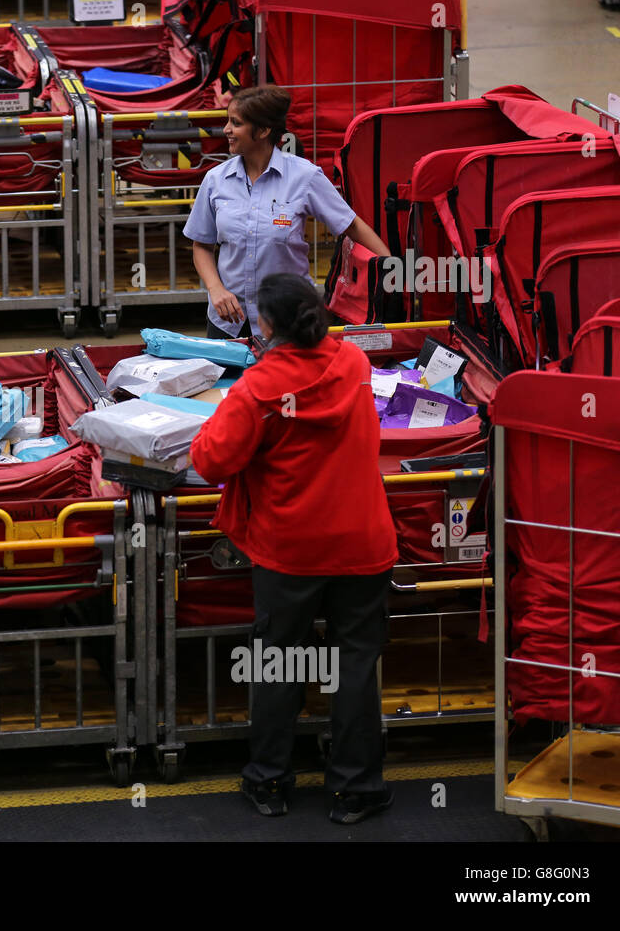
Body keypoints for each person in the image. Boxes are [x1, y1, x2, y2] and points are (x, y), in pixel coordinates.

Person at [189, 273, 399, 825]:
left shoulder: (258, 388)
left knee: (280, 661)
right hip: (363, 541)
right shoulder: (353, 365)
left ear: (266, 325)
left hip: (291, 550)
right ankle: (357, 788)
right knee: (355, 664)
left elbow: (211, 460)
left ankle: (270, 782)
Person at [183, 86, 390, 339]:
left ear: (262, 131)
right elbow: (201, 245)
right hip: (229, 321)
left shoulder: (305, 176)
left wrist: (390, 268)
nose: (226, 129)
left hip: (288, 322)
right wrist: (215, 289)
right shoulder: (216, 180)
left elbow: (352, 226)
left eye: (235, 123)